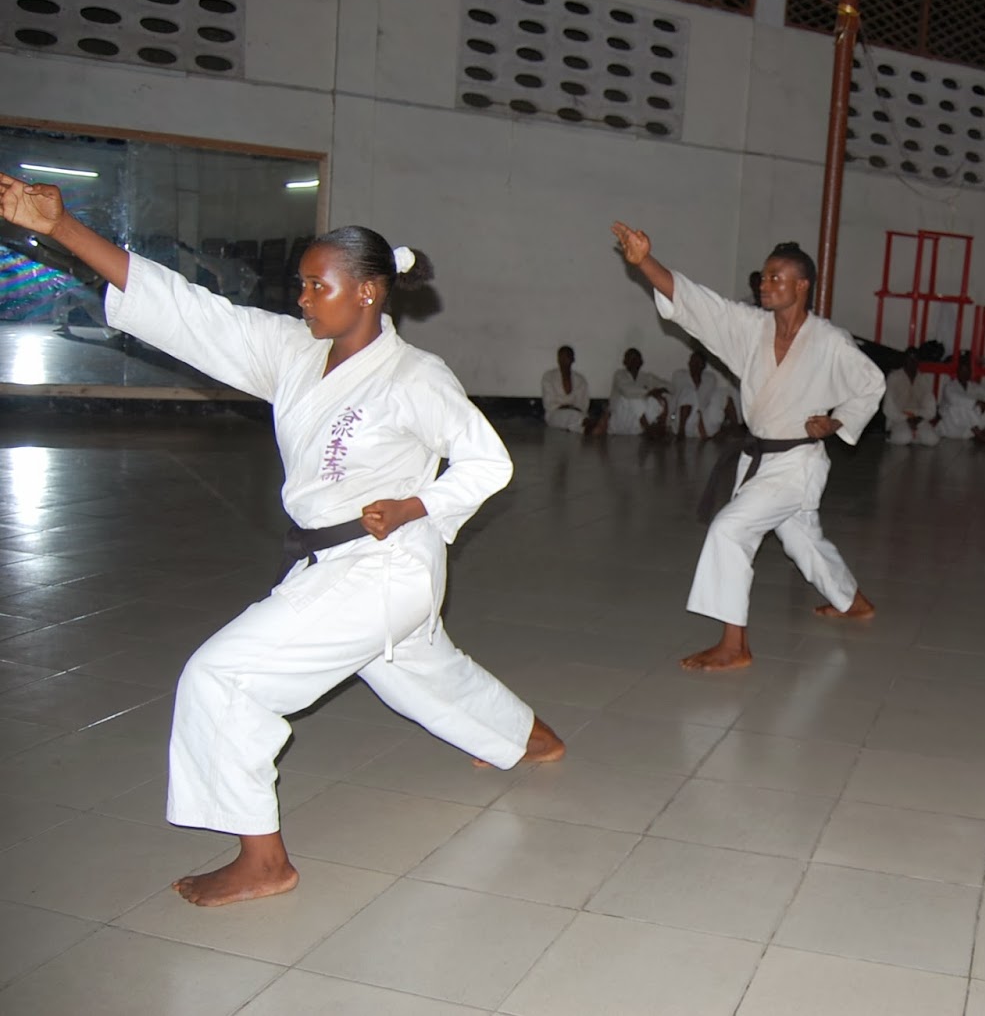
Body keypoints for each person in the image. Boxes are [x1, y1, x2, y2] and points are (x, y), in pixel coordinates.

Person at [0, 174, 565, 907]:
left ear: (367, 292)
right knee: (425, 670)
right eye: (300, 285)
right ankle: (533, 739)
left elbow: (490, 461)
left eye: (315, 286)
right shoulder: (293, 351)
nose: (300, 298)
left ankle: (263, 861)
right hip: (337, 562)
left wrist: (414, 503)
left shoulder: (417, 377)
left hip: (386, 566)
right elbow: (190, 312)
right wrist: (63, 229)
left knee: (221, 676)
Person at [611, 222, 882, 671]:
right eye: (763, 276)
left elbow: (869, 384)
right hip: (761, 458)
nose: (765, 283)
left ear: (802, 285)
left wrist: (835, 421)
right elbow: (698, 304)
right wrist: (646, 265)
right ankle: (852, 601)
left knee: (729, 530)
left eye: (776, 276)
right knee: (802, 540)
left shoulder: (830, 342)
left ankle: (734, 645)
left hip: (798, 462)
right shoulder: (750, 328)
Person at [599, 347, 670, 436]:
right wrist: (651, 392)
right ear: (624, 362)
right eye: (630, 358)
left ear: (641, 362)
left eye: (636, 358)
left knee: (658, 400)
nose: (633, 361)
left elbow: (668, 387)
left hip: (636, 421)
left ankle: (657, 427)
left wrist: (659, 391)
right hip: (619, 418)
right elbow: (628, 391)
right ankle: (648, 429)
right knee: (633, 398)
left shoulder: (647, 377)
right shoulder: (619, 374)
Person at [936, 355, 985, 442]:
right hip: (953, 425)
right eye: (962, 371)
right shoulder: (949, 386)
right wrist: (978, 403)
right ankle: (981, 436)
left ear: (970, 373)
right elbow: (954, 399)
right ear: (957, 372)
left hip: (971, 426)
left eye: (967, 371)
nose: (964, 374)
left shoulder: (973, 386)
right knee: (963, 406)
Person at [671, 348, 738, 440]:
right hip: (686, 423)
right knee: (688, 391)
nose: (694, 365)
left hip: (705, 424)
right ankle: (681, 433)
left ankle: (736, 428)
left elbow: (713, 401)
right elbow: (672, 394)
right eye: (692, 361)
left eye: (698, 362)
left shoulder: (710, 379)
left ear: (703, 365)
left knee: (723, 393)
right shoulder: (679, 376)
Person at [882, 348, 940, 446]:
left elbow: (930, 407)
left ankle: (913, 435)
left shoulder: (923, 379)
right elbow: (888, 407)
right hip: (899, 418)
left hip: (918, 418)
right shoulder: (894, 377)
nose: (912, 362)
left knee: (933, 440)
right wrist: (906, 418)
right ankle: (894, 435)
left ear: (918, 362)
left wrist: (918, 418)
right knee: (904, 438)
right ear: (904, 360)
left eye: (915, 359)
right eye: (909, 358)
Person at [540, 344, 593, 434]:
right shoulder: (548, 377)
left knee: (575, 418)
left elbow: (583, 403)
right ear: (558, 359)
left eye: (567, 356)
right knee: (571, 415)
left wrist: (570, 407)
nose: (564, 360)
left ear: (573, 359)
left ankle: (584, 429)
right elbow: (549, 403)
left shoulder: (580, 379)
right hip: (554, 414)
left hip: (578, 413)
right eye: (561, 357)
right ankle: (589, 425)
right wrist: (568, 407)